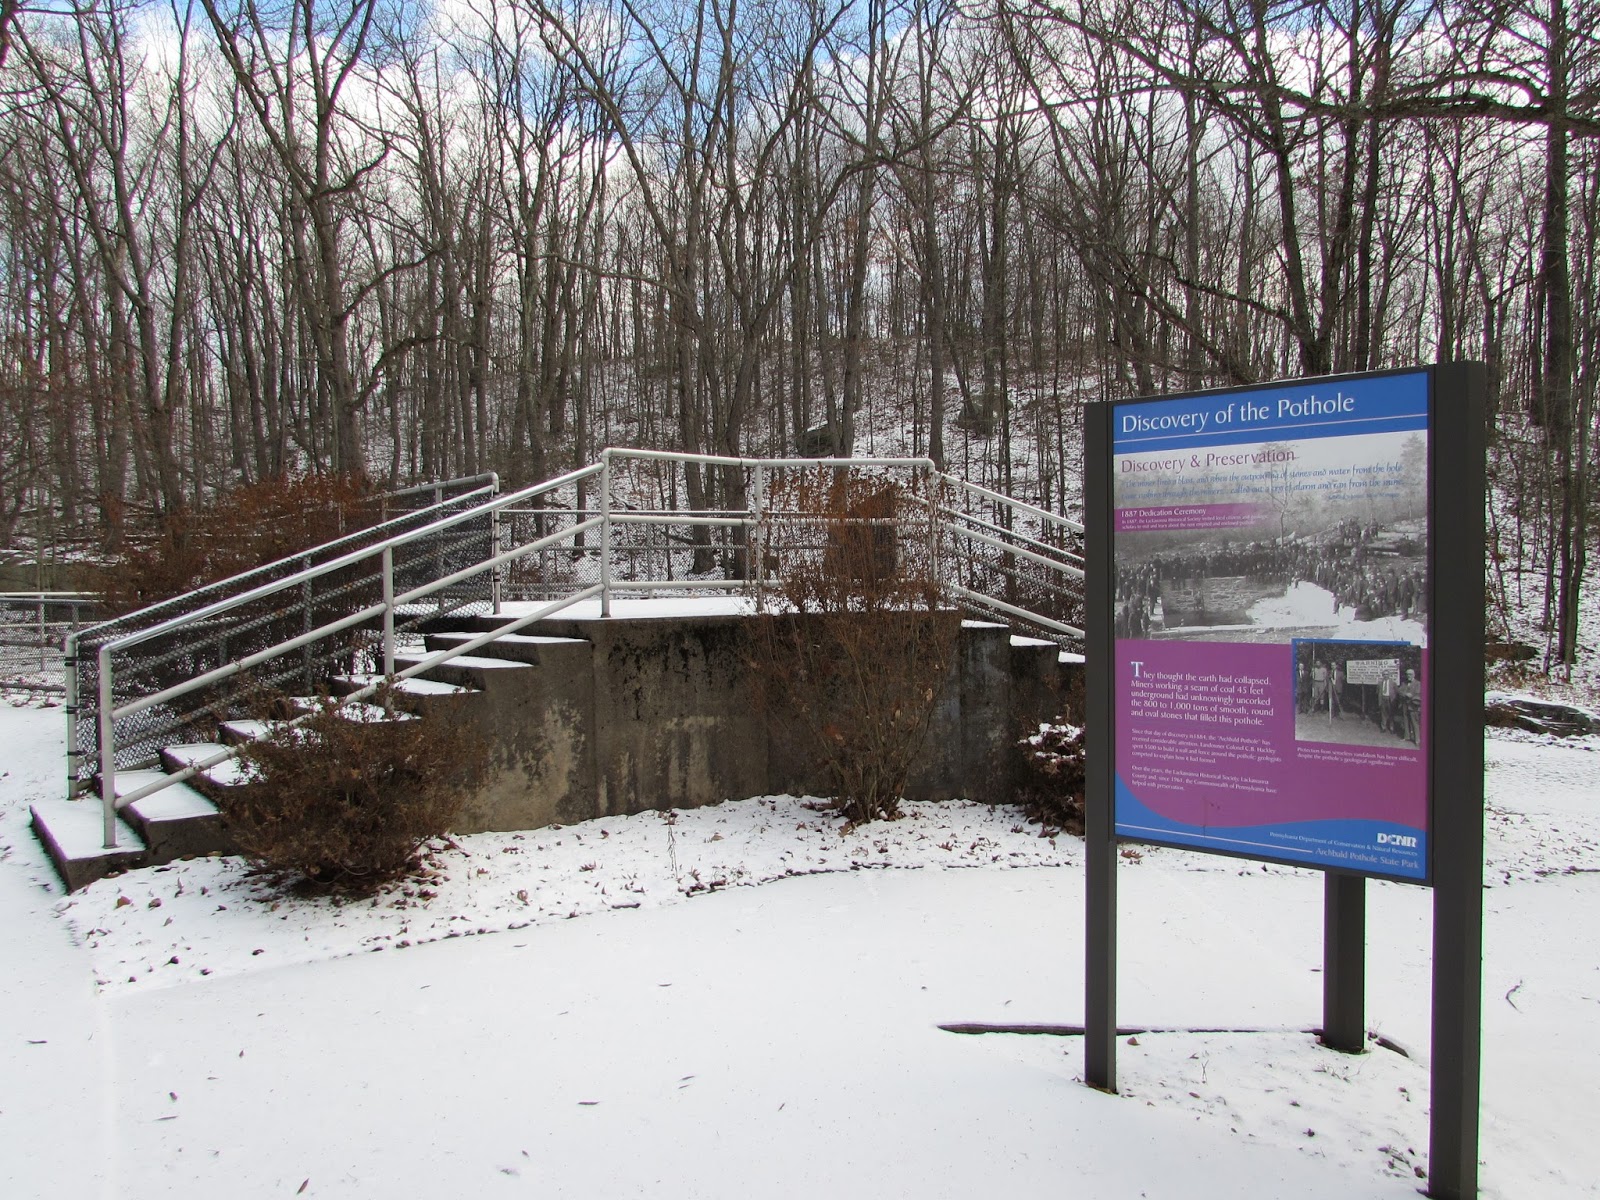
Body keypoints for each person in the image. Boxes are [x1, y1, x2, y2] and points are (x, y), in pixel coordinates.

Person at [1399, 668, 1421, 744]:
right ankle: (1407, 737)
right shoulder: (1404, 683)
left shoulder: (1418, 683)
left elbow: (1418, 693)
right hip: (1405, 705)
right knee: (1405, 721)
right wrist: (1405, 694)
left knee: (1414, 722)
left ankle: (1417, 740)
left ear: (1414, 675)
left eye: (1410, 674)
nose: (1408, 675)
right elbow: (1399, 691)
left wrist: (1411, 695)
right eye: (1407, 674)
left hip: (1413, 705)